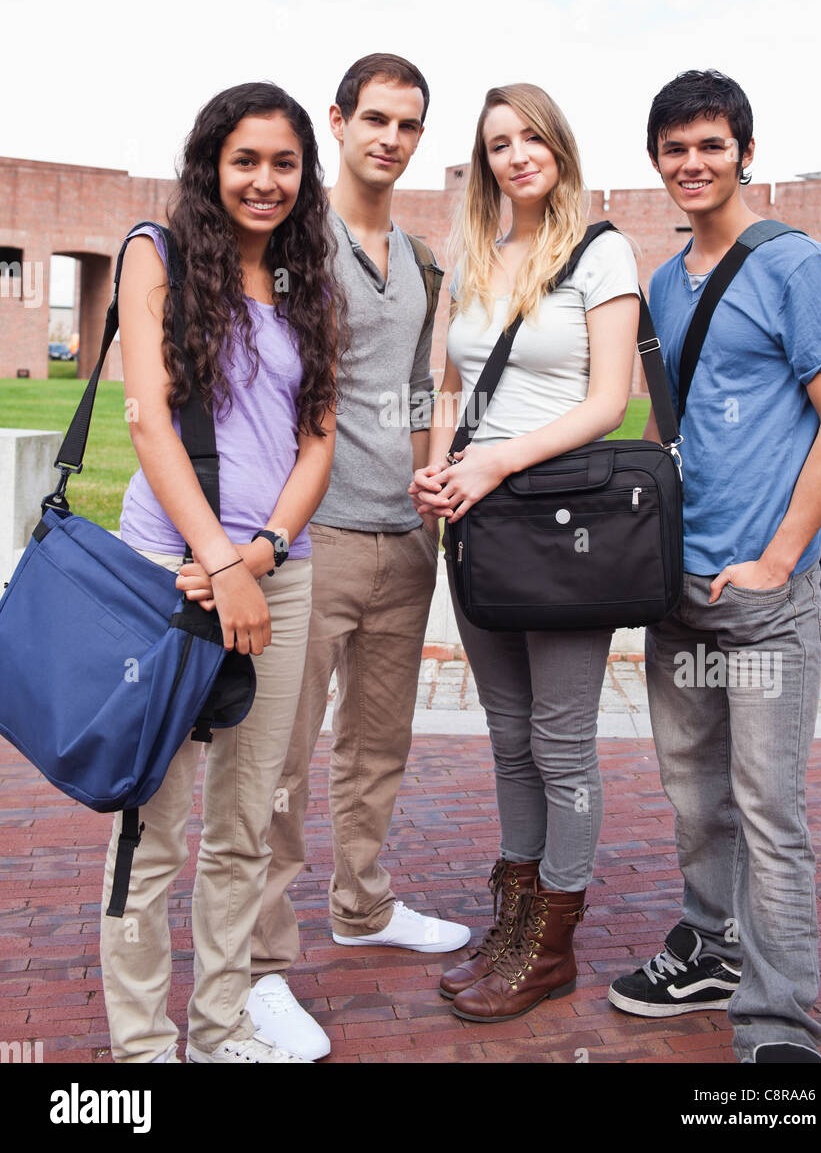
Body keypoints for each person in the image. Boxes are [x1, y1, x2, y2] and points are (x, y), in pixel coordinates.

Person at [607, 69, 821, 1064]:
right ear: (657, 163)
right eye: (673, 148)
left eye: (710, 144)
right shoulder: (663, 284)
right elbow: (664, 425)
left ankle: (778, 1020)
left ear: (743, 153)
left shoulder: (794, 266)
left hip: (763, 597)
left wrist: (777, 558)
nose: (692, 162)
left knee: (767, 806)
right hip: (676, 591)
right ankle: (709, 951)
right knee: (691, 797)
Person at [99, 82, 343, 1064]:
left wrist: (267, 551)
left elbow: (317, 442)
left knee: (248, 824)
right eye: (246, 159)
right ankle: (142, 1047)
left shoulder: (307, 285)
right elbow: (148, 419)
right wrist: (216, 560)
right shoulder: (154, 255)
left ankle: (220, 1027)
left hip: (277, 576)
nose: (265, 180)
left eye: (284, 163)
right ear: (211, 164)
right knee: (150, 831)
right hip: (169, 573)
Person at [249, 54, 469, 1060]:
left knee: (377, 745)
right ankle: (253, 968)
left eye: (408, 125)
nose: (389, 138)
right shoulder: (294, 246)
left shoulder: (420, 258)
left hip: (403, 534)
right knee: (278, 763)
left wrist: (432, 467)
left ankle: (363, 903)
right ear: (336, 122)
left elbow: (423, 389)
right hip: (315, 536)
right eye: (373, 119)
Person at [411, 83, 641, 1023]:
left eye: (532, 137)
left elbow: (609, 400)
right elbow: (450, 381)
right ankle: (512, 924)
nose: (517, 155)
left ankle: (550, 945)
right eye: (499, 142)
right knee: (509, 737)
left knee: (561, 741)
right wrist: (438, 471)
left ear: (559, 147)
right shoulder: (474, 253)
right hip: (479, 523)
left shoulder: (602, 250)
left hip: (563, 527)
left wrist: (496, 460)